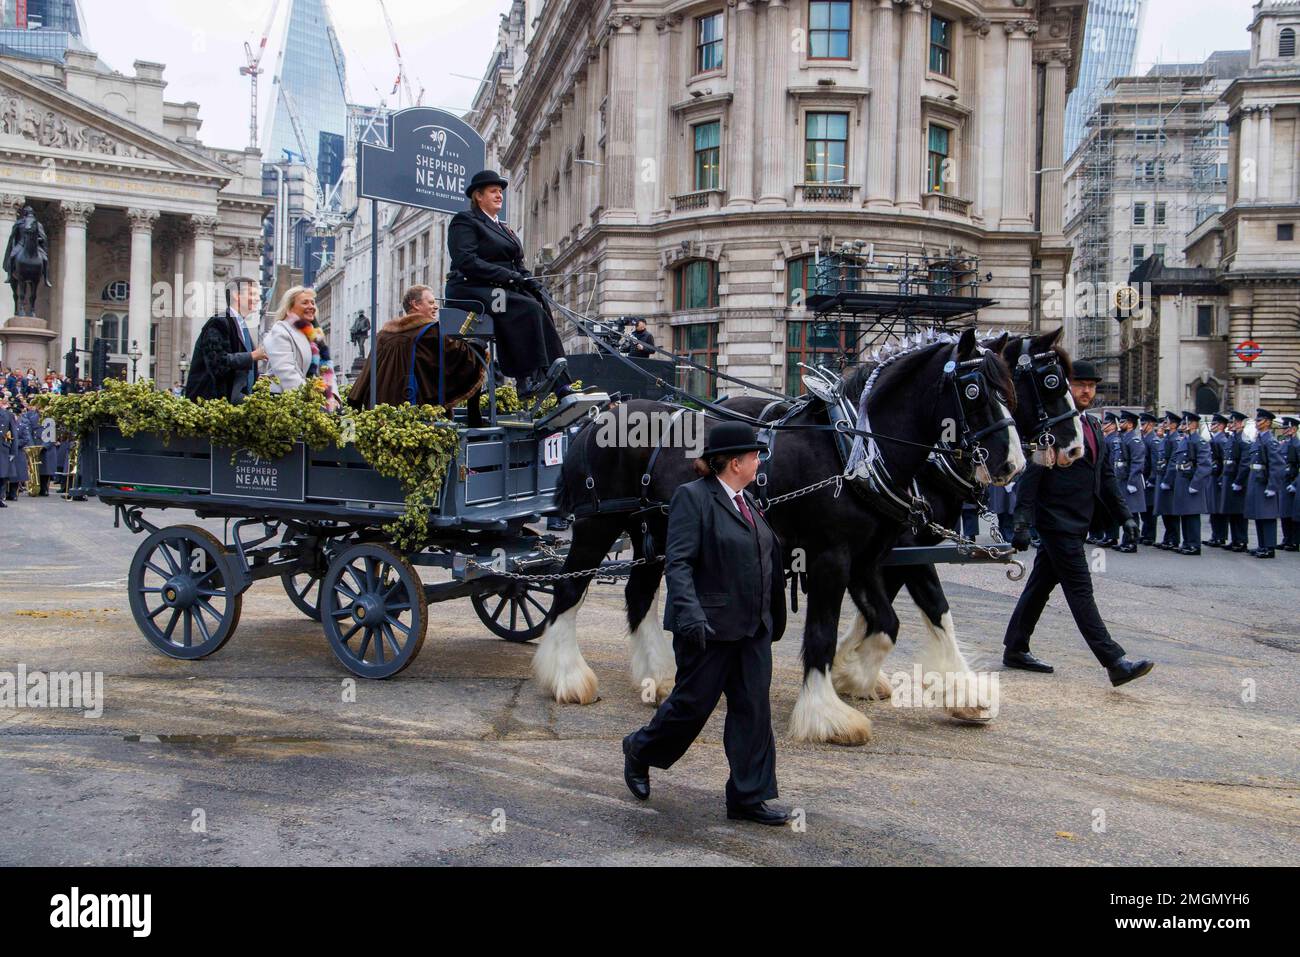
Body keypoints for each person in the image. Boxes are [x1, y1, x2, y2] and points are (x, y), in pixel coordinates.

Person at [622, 421, 789, 825]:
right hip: (708, 627)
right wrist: (690, 613)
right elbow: (678, 563)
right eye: (754, 455)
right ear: (734, 462)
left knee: (753, 710)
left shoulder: (750, 502)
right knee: (691, 707)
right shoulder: (692, 498)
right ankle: (640, 749)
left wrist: (773, 612)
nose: (758, 460)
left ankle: (748, 797)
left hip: (752, 628)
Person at [1002, 359, 1154, 686]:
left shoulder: (1094, 426)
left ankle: (1015, 647)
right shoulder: (1054, 427)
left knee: (1039, 587)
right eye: (1080, 384)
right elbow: (1033, 476)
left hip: (1078, 522)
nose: (1087, 390)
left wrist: (1124, 516)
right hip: (1057, 524)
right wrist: (1022, 521)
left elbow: (1107, 477)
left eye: (1092, 385)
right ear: (1066, 387)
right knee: (1081, 590)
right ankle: (1114, 661)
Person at [445, 170, 575, 402]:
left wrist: (531, 282)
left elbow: (518, 264)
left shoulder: (505, 229)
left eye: (500, 191)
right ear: (478, 196)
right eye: (493, 191)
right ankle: (525, 377)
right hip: (471, 286)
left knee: (539, 303)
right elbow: (466, 261)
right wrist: (509, 276)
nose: (499, 195)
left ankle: (561, 381)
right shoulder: (465, 221)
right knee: (523, 307)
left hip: (500, 286)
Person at [346, 284, 486, 411]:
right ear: (415, 304)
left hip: (380, 411)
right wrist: (477, 345)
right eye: (431, 302)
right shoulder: (430, 332)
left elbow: (366, 373)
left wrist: (355, 402)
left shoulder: (384, 335)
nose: (436, 306)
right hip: (413, 409)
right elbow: (460, 356)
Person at [186, 277, 267, 402]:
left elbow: (239, 370)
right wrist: (252, 356)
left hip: (233, 405)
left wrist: (257, 377)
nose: (257, 299)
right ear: (236, 295)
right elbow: (217, 362)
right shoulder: (218, 322)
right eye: (252, 294)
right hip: (213, 406)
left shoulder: (242, 326)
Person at [263, 286, 335, 406]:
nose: (311, 306)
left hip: (311, 404)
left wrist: (332, 397)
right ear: (289, 308)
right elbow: (287, 374)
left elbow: (327, 370)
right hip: (285, 404)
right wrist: (314, 401)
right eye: (305, 303)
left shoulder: (314, 335)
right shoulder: (280, 331)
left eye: (312, 302)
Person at [1238, 408, 1287, 558]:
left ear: (1267, 422)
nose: (1257, 423)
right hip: (1256, 480)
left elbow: (1277, 465)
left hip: (1265, 482)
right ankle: (1262, 545)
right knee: (1259, 515)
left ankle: (1269, 547)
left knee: (1267, 516)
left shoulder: (1270, 441)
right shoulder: (1259, 439)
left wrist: (1272, 486)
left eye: (1259, 420)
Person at [1166, 411, 1213, 555]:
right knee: (1185, 514)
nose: (1182, 426)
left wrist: (1196, 484)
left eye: (1185, 423)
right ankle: (1187, 542)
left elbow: (1204, 465)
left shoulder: (1199, 441)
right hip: (1182, 480)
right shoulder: (1184, 440)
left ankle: (1194, 544)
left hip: (1191, 481)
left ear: (1193, 424)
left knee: (1192, 516)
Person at [1114, 410, 1146, 552]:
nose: (1120, 424)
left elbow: (1137, 462)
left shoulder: (1134, 440)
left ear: (1130, 424)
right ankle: (1126, 540)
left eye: (1122, 422)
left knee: (1133, 513)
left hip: (1131, 480)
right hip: (1122, 479)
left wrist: (1132, 482)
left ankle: (1132, 543)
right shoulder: (1123, 437)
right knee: (1126, 512)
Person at [1153, 410, 1183, 550]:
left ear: (1174, 425)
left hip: (1170, 479)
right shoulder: (1166, 438)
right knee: (1165, 510)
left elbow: (1173, 460)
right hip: (1162, 476)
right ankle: (1167, 538)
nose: (1164, 424)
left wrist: (1168, 479)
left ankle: (1174, 539)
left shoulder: (1175, 439)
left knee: (1171, 511)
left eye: (1167, 422)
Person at [1206, 414, 1231, 547]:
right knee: (1213, 508)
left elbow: (1224, 461)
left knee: (1219, 509)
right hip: (1213, 476)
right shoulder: (1215, 439)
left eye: (1215, 424)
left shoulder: (1222, 441)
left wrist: (1221, 478)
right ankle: (1215, 535)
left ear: (1221, 426)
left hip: (1218, 478)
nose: (1212, 426)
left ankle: (1219, 536)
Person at [1137, 412, 1160, 544]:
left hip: (1149, 479)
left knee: (1150, 508)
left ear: (1151, 425)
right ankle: (1145, 533)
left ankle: (1150, 535)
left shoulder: (1153, 440)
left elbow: (1155, 462)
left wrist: (1152, 478)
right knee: (1144, 508)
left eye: (1144, 423)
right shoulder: (1144, 438)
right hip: (1143, 477)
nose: (1142, 426)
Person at [1280, 417, 1299, 552]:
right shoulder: (1285, 444)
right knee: (1284, 512)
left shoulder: (1298, 445)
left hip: (1293, 483)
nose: (1284, 430)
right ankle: (1286, 539)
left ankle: (1294, 541)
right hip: (1284, 481)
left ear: (1294, 429)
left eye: (1286, 428)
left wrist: (1296, 484)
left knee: (1294, 514)